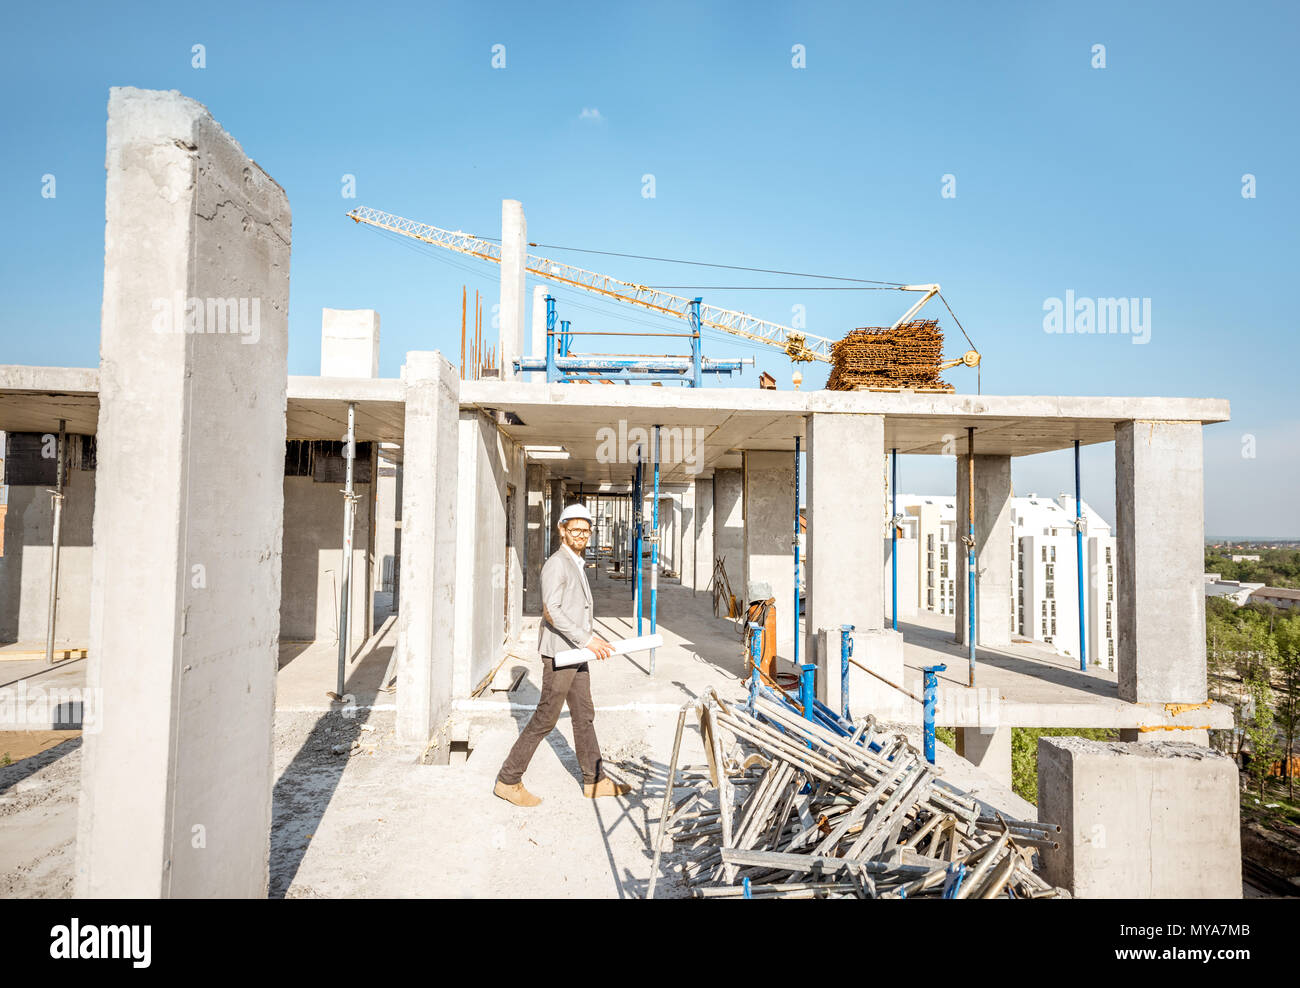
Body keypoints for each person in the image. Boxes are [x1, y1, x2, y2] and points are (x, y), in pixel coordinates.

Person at [494, 502, 633, 807]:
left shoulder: (576, 562)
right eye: (575, 530)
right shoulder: (557, 563)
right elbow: (551, 611)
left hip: (576, 653)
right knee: (546, 717)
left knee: (584, 714)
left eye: (586, 530)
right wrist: (587, 639)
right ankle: (508, 779)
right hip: (561, 655)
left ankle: (594, 781)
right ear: (562, 530)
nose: (582, 535)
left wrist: (587, 642)